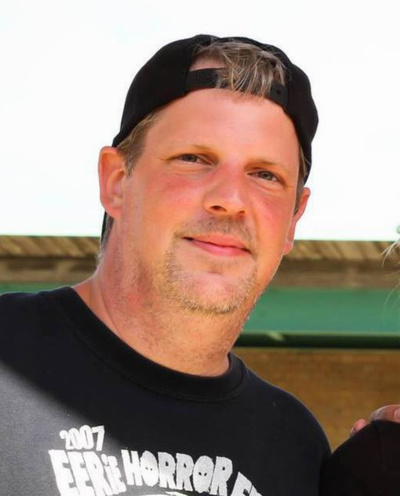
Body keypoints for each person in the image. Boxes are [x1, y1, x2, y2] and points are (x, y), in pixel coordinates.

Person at [0, 34, 396, 496]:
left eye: (265, 175)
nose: (230, 199)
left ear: (293, 219)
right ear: (116, 181)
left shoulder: (295, 447)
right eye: (193, 159)